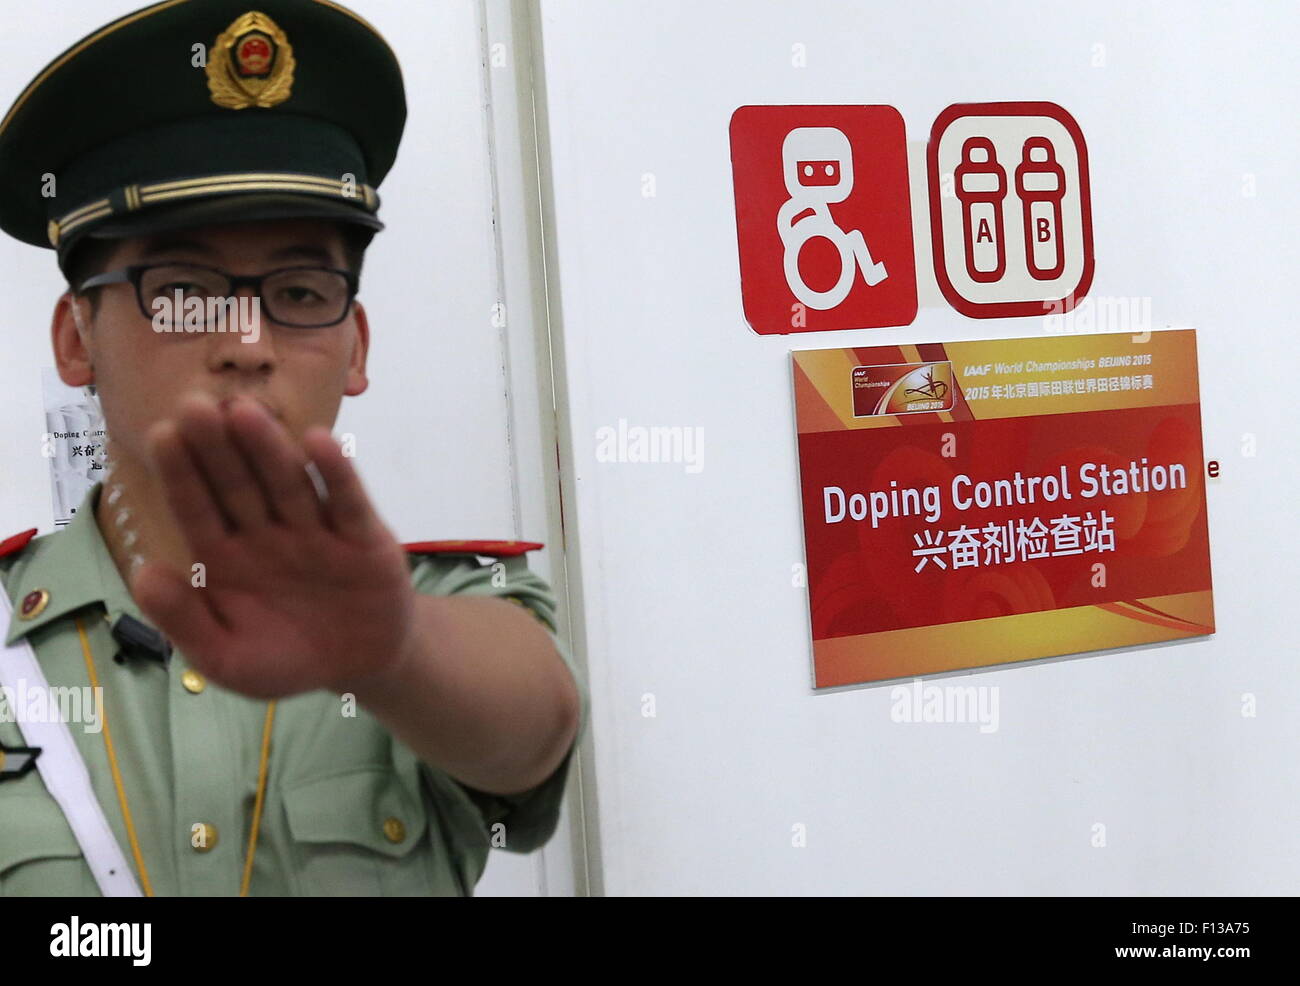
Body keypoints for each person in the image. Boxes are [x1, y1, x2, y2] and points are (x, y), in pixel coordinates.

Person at [0, 0, 586, 896]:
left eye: (300, 290)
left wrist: (393, 651)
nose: (245, 341)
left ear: (355, 348)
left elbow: (534, 726)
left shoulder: (441, 609)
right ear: (75, 338)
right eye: (184, 285)